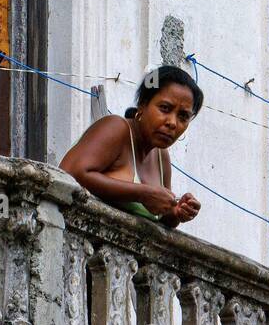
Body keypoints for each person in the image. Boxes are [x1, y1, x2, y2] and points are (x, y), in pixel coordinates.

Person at [59, 65, 203, 227]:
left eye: (183, 116)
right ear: (143, 105)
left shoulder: (161, 157)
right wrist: (141, 193)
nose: (172, 122)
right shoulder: (116, 128)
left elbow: (161, 217)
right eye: (165, 108)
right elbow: (69, 172)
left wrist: (177, 211)